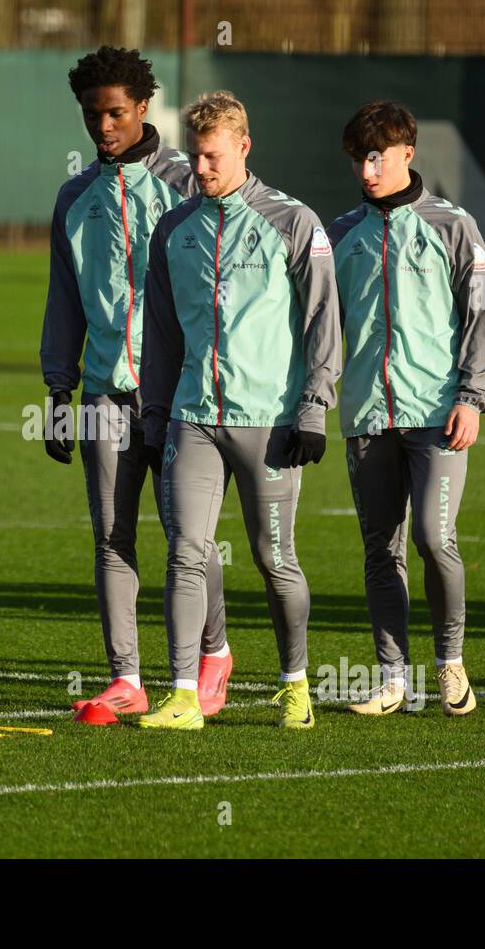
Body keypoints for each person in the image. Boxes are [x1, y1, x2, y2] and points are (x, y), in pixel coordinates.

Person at [139, 91, 341, 730]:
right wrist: (154, 412)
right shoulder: (173, 229)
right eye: (195, 156)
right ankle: (181, 695)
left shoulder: (293, 222)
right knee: (185, 550)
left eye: (213, 157)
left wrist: (314, 405)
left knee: (272, 558)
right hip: (193, 417)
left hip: (272, 420)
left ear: (244, 147)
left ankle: (295, 684)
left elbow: (322, 323)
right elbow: (163, 334)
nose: (200, 169)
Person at [40, 46, 232, 721]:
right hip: (102, 393)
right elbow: (64, 298)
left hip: (179, 392)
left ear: (144, 107)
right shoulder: (73, 198)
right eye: (93, 115)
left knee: (188, 538)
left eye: (116, 112)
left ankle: (214, 655)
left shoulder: (189, 181)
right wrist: (58, 391)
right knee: (112, 537)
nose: (104, 126)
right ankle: (127, 677)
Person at [327, 100, 485, 716]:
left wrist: (473, 397)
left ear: (407, 153)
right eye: (358, 159)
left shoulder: (456, 227)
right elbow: (319, 328)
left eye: (376, 156)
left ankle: (451, 665)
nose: (367, 170)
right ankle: (393, 679)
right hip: (367, 417)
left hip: (438, 416)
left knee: (434, 537)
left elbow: (482, 313)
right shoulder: (340, 234)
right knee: (381, 548)